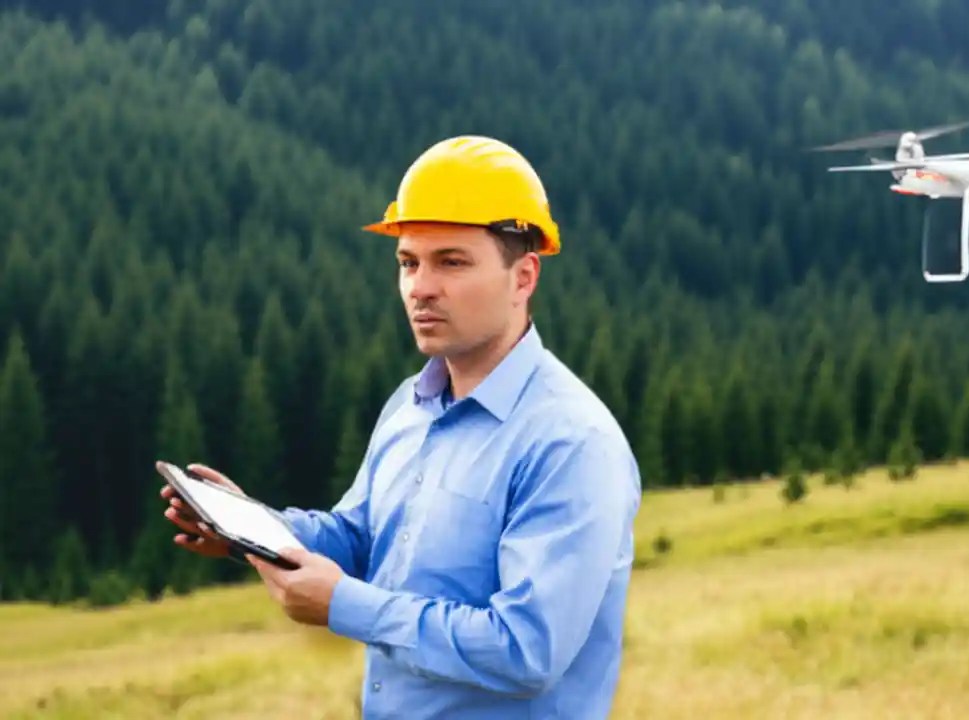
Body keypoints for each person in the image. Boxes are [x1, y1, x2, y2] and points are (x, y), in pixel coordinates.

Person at [159, 135, 643, 719]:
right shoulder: (409, 408)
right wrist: (257, 532)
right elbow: (363, 540)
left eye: (452, 262)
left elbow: (526, 650)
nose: (420, 287)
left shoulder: (571, 442)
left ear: (524, 277)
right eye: (408, 262)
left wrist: (344, 606)